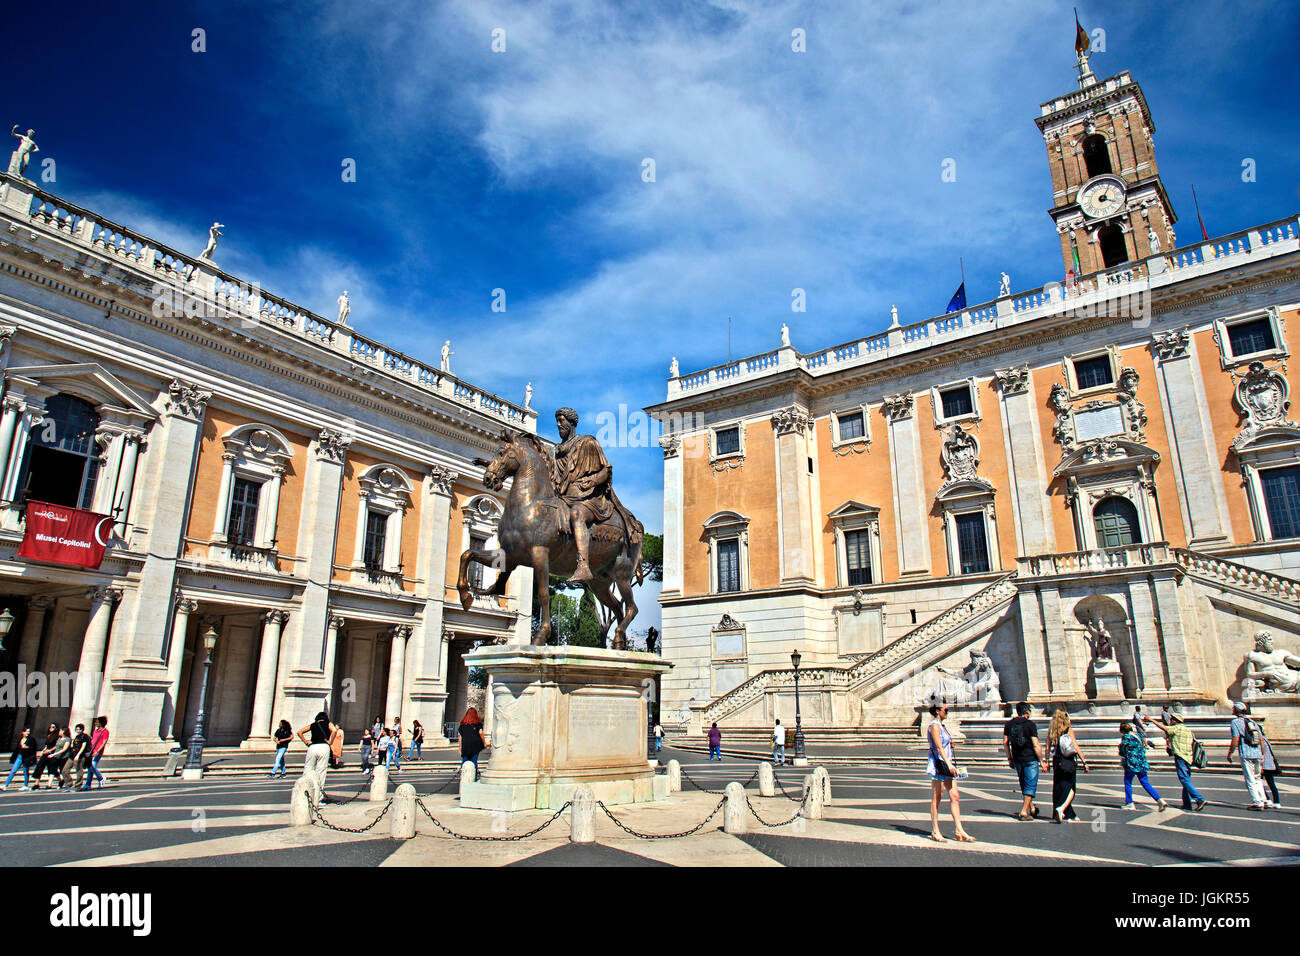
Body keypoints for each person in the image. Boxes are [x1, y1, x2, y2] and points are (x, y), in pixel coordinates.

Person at [926, 704, 975, 843]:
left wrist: (950, 744)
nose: (947, 712)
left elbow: (944, 744)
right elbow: (938, 746)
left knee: (955, 796)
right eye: (945, 710)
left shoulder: (942, 725)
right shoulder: (934, 725)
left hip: (947, 764)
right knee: (937, 796)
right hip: (939, 765)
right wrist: (949, 764)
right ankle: (935, 831)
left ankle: (960, 830)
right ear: (937, 711)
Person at [1148, 704, 1206, 811]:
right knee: (1186, 780)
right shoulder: (1187, 730)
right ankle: (1187, 803)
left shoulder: (1177, 729)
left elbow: (1165, 728)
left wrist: (1151, 720)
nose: (1170, 721)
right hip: (1189, 757)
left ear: (1175, 720)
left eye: (1171, 719)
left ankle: (1199, 799)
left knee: (1184, 779)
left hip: (1181, 756)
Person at [1003, 702, 1046, 821]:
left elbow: (1005, 743)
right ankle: (1023, 811)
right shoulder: (1030, 725)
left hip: (1017, 758)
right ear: (1027, 712)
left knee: (1024, 783)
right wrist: (1041, 761)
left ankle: (1031, 808)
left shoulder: (1009, 724)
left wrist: (1009, 758)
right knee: (1030, 784)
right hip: (1030, 758)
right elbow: (1036, 745)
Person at [1048, 709, 1089, 823]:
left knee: (1058, 787)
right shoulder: (1068, 730)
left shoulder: (1051, 730)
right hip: (1068, 760)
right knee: (1071, 787)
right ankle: (1061, 808)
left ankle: (1068, 813)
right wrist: (1084, 761)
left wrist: (1045, 762)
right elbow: (1075, 746)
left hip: (1056, 761)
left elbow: (1047, 747)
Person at [1226, 700, 1268, 811]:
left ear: (1236, 710)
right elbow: (1261, 739)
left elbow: (1235, 739)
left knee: (1250, 778)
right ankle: (1263, 799)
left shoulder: (1235, 722)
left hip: (1246, 754)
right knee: (1258, 778)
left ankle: (1257, 802)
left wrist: (1230, 753)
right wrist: (1263, 754)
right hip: (1257, 753)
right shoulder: (1252, 722)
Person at [1118, 721, 1167, 811]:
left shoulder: (1126, 737)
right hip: (1142, 762)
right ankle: (1160, 800)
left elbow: (1122, 751)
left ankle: (1130, 803)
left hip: (1131, 764)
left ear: (1122, 730)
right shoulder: (1139, 736)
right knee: (1145, 783)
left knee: (1128, 782)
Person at [297, 711, 335, 795]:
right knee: (321, 771)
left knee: (308, 769)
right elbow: (334, 730)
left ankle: (304, 792)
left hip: (312, 746)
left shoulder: (313, 725)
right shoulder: (328, 723)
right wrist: (330, 741)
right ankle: (318, 797)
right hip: (323, 747)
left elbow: (299, 732)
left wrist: (306, 742)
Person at [30, 723, 61, 790]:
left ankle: (57, 782)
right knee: (39, 766)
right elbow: (47, 745)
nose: (51, 728)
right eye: (50, 726)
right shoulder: (49, 735)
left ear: (56, 728)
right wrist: (42, 751)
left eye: (53, 727)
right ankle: (36, 783)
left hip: (53, 752)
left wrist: (49, 751)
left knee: (52, 768)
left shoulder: (57, 736)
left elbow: (57, 746)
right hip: (46, 752)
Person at [459, 708, 487, 780]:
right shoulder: (478, 724)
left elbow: (460, 736)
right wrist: (484, 742)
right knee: (474, 760)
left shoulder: (463, 724)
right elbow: (480, 733)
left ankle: (464, 776)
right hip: (475, 745)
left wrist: (460, 747)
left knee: (465, 760)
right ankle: (474, 777)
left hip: (465, 745)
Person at [1259, 722, 1282, 809]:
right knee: (1272, 784)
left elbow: (1261, 753)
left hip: (1263, 764)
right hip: (1270, 764)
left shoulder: (1260, 740)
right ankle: (1277, 801)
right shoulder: (1266, 739)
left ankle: (1267, 799)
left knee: (1259, 783)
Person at [83, 716, 110, 790]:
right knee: (90, 767)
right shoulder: (95, 730)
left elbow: (104, 743)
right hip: (92, 750)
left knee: (92, 766)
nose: (95, 723)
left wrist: (97, 751)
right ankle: (88, 784)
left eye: (97, 722)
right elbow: (93, 740)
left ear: (101, 723)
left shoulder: (105, 731)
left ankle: (100, 778)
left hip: (98, 752)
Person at [68, 723, 91, 792]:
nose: (77, 730)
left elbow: (83, 747)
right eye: (76, 729)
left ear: (82, 729)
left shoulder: (85, 737)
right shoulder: (77, 736)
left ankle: (78, 786)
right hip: (73, 755)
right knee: (65, 769)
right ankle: (69, 784)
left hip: (81, 756)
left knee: (79, 770)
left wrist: (78, 755)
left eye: (79, 729)